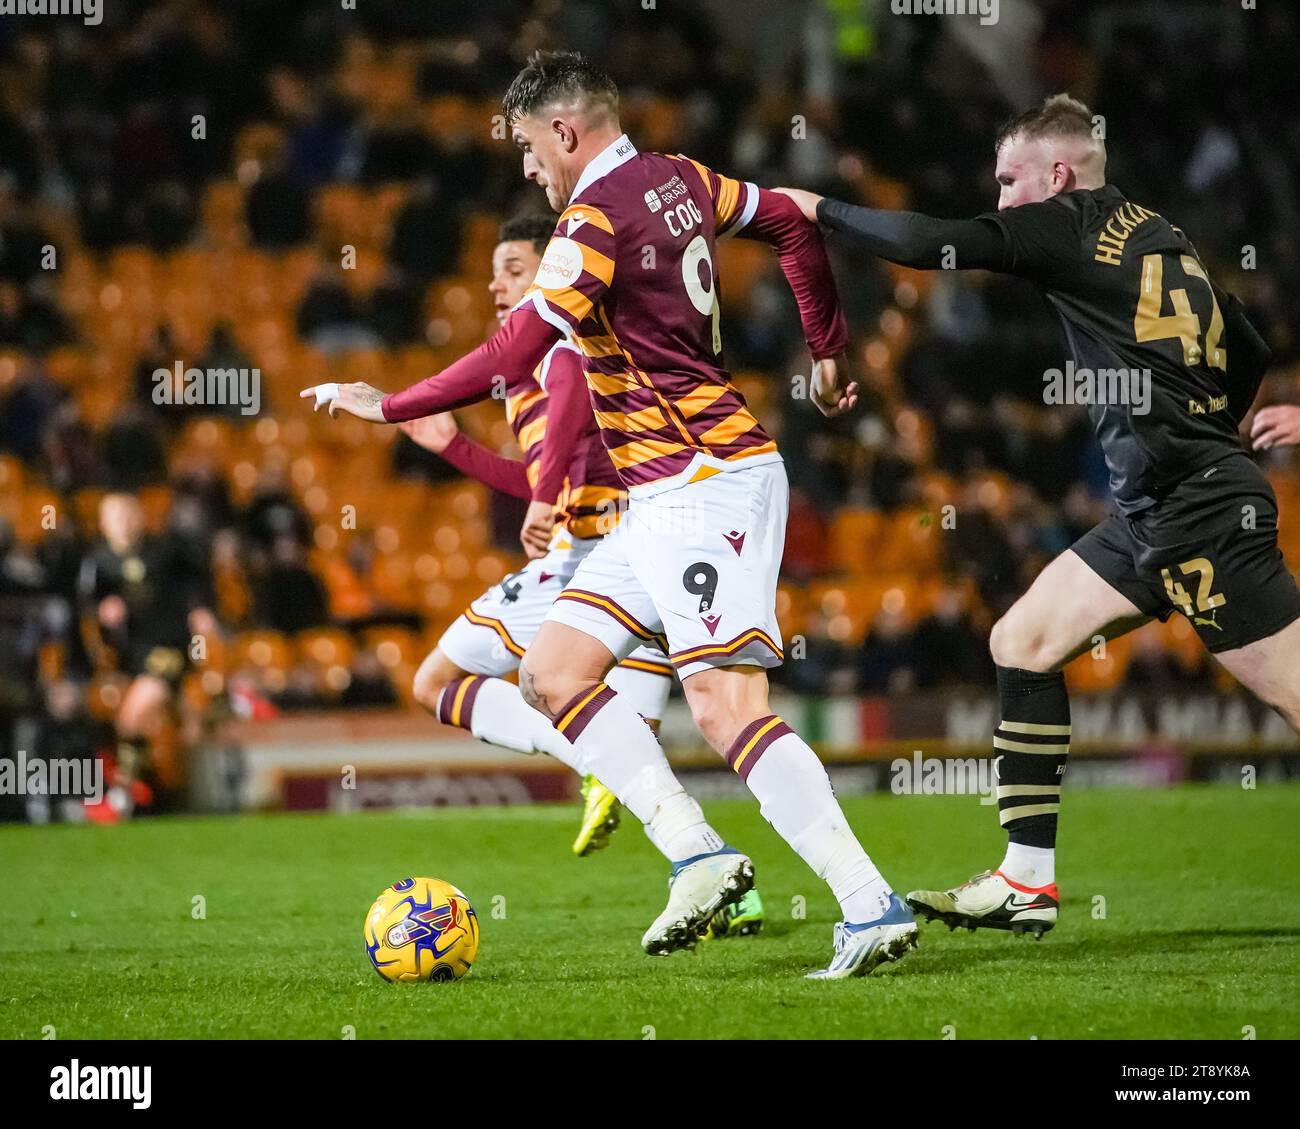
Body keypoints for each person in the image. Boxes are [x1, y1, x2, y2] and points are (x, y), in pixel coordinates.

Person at [303, 51, 914, 978]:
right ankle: (700, 856)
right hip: (659, 499)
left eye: (525, 148)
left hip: (708, 479)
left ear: (563, 130)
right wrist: (825, 348)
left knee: (723, 704)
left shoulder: (591, 221)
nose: (525, 171)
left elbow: (516, 348)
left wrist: (388, 404)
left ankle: (870, 905)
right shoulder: (680, 179)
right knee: (554, 670)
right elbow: (793, 220)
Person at [779, 93, 1300, 937]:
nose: (1001, 201)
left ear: (1057, 175)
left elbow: (929, 242)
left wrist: (817, 209)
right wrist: (1215, 426)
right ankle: (1027, 879)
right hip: (1158, 509)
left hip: (1199, 514)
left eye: (1010, 180)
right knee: (1020, 641)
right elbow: (1249, 349)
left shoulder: (1066, 223)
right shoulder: (1164, 234)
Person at [395, 214, 764, 934]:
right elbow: (546, 467)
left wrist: (532, 490)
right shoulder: (542, 357)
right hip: (622, 551)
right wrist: (458, 449)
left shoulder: (566, 345)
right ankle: (728, 880)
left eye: (511, 267)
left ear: (550, 268)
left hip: (600, 556)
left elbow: (559, 443)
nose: (494, 284)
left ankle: (604, 769)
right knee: (641, 744)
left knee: (441, 683)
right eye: (492, 271)